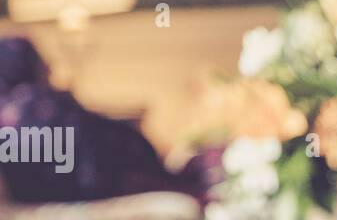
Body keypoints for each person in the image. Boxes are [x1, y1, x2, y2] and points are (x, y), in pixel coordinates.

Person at [0, 36, 201, 204]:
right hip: (98, 191)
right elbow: (106, 140)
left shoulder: (13, 111)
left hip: (38, 208)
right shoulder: (43, 102)